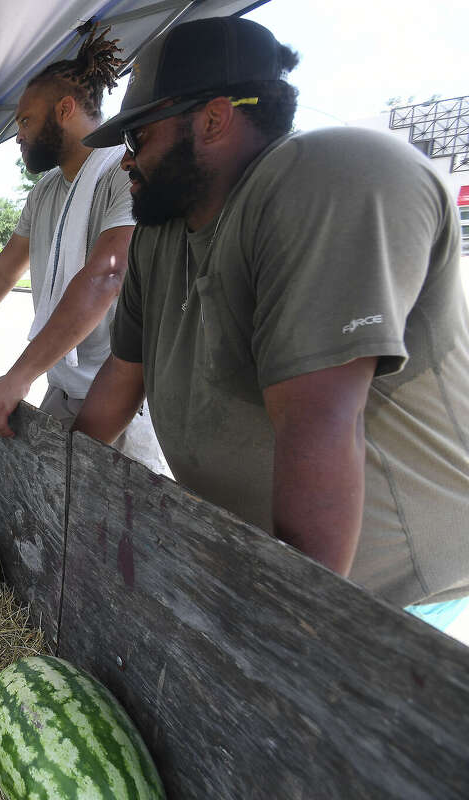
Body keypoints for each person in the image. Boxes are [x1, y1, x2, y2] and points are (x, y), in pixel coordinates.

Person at [73, 17, 469, 612]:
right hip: (255, 568)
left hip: (382, 604)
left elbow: (321, 420)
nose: (127, 162)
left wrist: (291, 624)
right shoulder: (159, 233)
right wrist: (59, 480)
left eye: (139, 140)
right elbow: (121, 378)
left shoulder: (327, 178)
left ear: (212, 119)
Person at [0, 26, 165, 473]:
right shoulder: (45, 191)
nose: (17, 135)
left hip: (121, 395)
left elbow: (107, 275)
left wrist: (19, 376)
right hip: (62, 383)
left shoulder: (122, 174)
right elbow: (5, 269)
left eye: (25, 120)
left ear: (64, 109)